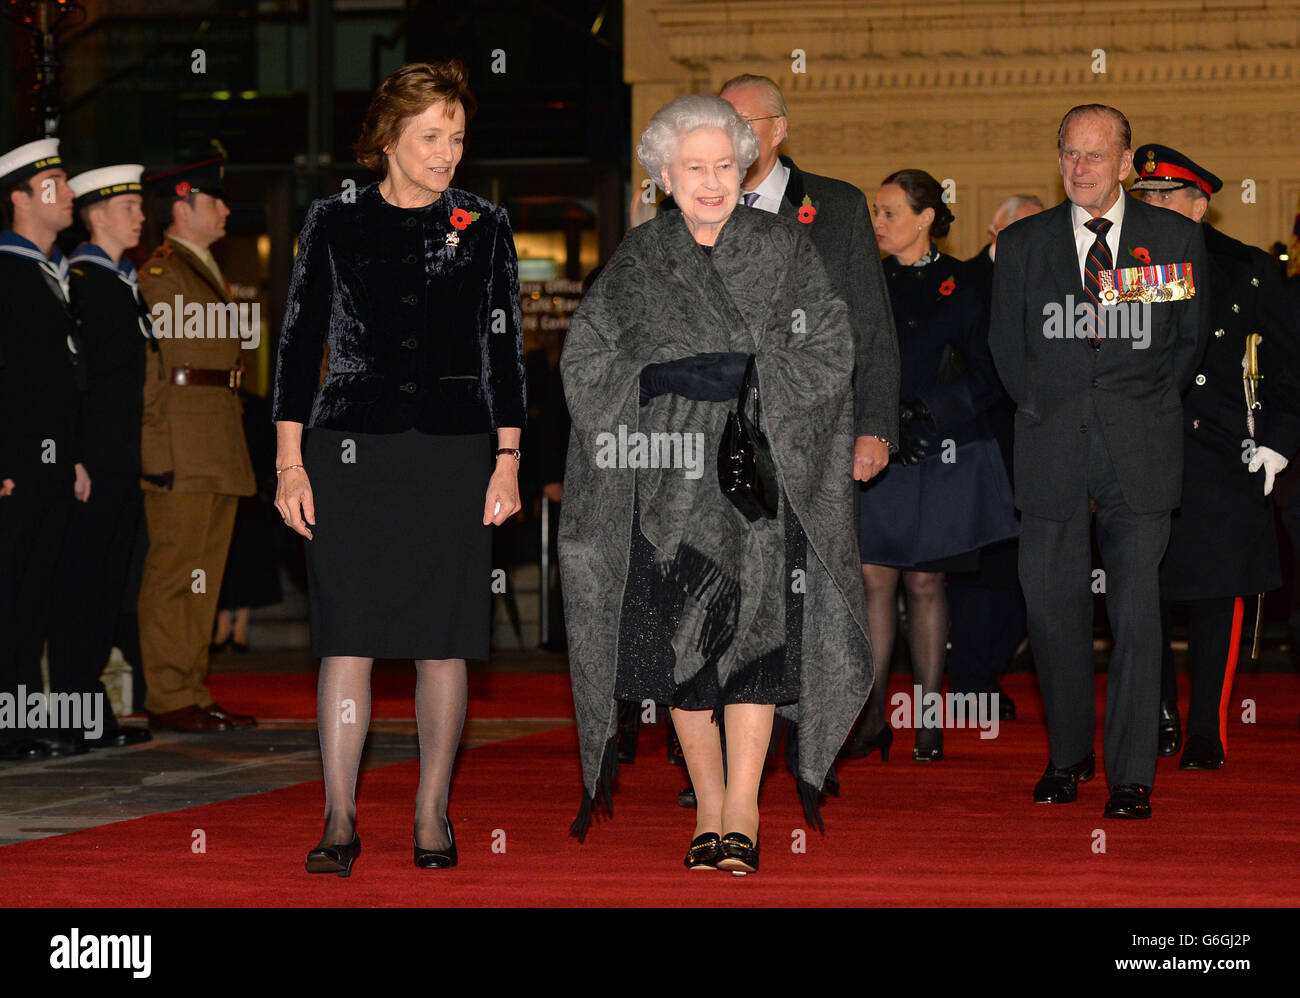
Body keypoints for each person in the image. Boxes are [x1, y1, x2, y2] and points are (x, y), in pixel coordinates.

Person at [560, 95, 872, 875]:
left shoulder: (784, 248)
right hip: (667, 486)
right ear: (664, 177)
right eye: (694, 168)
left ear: (744, 168)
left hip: (758, 483)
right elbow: (586, 363)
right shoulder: (638, 259)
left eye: (725, 166)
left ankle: (744, 808)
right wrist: (664, 379)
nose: (711, 181)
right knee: (685, 653)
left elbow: (832, 351)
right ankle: (706, 806)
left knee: (757, 645)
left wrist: (752, 378)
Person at [273, 59, 526, 876]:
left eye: (458, 137)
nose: (448, 152)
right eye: (431, 137)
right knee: (346, 638)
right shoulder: (334, 220)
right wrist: (288, 464)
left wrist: (508, 460)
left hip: (454, 453)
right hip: (348, 451)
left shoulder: (484, 224)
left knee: (441, 641)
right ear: (387, 139)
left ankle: (431, 812)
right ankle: (339, 816)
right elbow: (297, 346)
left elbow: (504, 352)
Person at [988, 105, 1209, 819]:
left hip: (1140, 448)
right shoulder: (1023, 245)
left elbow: (1185, 346)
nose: (1079, 168)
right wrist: (1050, 407)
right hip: (1049, 444)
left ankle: (1131, 776)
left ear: (1124, 164)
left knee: (1136, 613)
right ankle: (1067, 757)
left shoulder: (1172, 239)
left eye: (1094, 155)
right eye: (1069, 154)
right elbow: (1007, 349)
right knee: (1052, 610)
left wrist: (1132, 405)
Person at [717, 72, 899, 796]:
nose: (732, 138)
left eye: (746, 123)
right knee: (728, 589)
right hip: (719, 434)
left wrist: (875, 426)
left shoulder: (837, 207)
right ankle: (728, 757)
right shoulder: (695, 198)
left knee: (811, 592)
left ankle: (811, 748)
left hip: (814, 436)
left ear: (780, 128)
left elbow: (870, 325)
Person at [1130, 144, 1300, 769]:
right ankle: (1159, 712)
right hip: (1145, 449)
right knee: (1141, 591)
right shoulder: (1122, 268)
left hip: (1226, 454)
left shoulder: (1249, 269)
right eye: (1144, 196)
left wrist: (1278, 443)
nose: (1152, 206)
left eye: (1165, 197)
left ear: (1200, 206)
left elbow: (1289, 370)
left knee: (1218, 593)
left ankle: (1207, 726)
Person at [846, 169, 1018, 764]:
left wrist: (926, 410)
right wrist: (876, 419)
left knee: (924, 582)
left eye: (890, 212)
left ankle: (926, 718)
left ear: (925, 218)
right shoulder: (866, 281)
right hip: (877, 447)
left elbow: (990, 375)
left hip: (942, 449)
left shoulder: (965, 283)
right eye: (876, 211)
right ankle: (872, 716)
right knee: (873, 579)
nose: (878, 222)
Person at [135, 154, 257, 734]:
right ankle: (167, 693)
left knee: (204, 576)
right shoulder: (162, 273)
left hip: (214, 441)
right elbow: (152, 373)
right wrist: (154, 450)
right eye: (215, 200)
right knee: (174, 573)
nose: (226, 209)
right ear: (182, 207)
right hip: (181, 446)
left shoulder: (202, 268)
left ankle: (192, 688)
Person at [46, 164, 157, 749]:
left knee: (107, 590)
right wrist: (76, 456)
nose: (140, 216)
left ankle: (89, 711)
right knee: (80, 589)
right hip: (94, 460)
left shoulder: (120, 281)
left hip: (123, 458)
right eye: (127, 207)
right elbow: (75, 379)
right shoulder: (85, 282)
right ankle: (71, 712)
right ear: (95, 215)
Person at [945, 194, 1045, 722]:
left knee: (1023, 571)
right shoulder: (962, 283)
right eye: (1018, 232)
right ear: (993, 230)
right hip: (978, 447)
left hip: (1036, 448)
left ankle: (988, 672)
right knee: (978, 572)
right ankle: (971, 681)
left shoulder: (1053, 284)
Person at [0, 138, 84, 761]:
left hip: (51, 461)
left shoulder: (52, 272)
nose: (70, 191)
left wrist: (72, 455)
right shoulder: (6, 270)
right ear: (20, 198)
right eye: (55, 182)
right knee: (8, 595)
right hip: (15, 463)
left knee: (34, 597)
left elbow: (55, 378)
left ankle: (20, 721)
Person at [212, 388, 283, 654]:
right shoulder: (216, 399)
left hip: (251, 497)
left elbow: (267, 449)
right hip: (221, 491)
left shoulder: (255, 406)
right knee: (221, 558)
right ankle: (222, 624)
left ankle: (240, 624)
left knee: (248, 560)